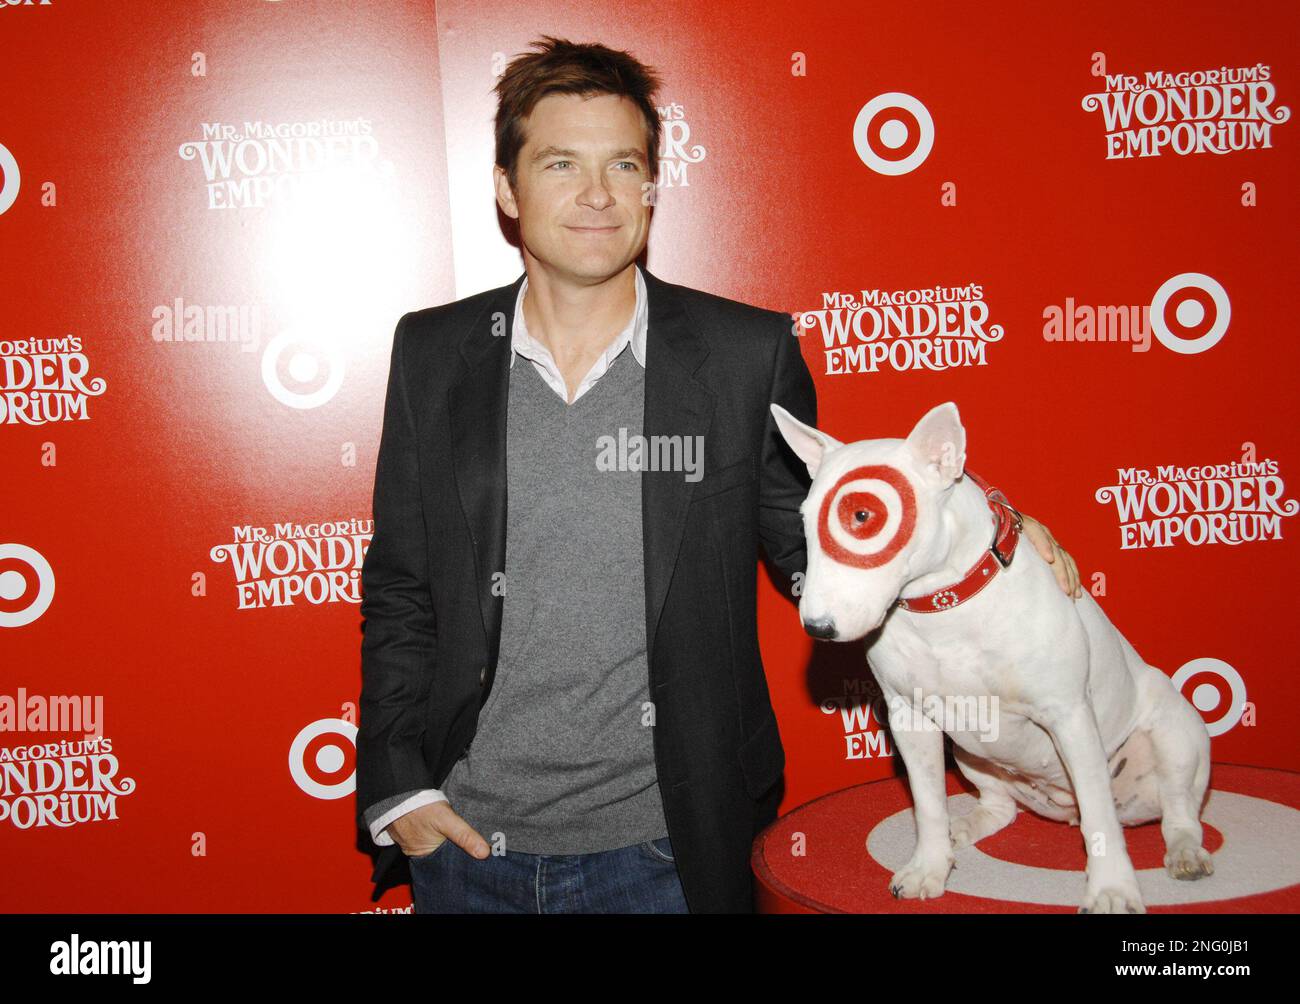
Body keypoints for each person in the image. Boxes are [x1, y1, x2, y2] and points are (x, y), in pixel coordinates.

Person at [355, 35, 1081, 914]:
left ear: (652, 188)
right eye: (559, 164)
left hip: (668, 849)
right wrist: (400, 788)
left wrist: (982, 529)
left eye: (624, 165)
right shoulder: (433, 353)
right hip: (466, 846)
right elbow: (401, 584)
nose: (596, 195)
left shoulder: (744, 355)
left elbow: (825, 541)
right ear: (508, 190)